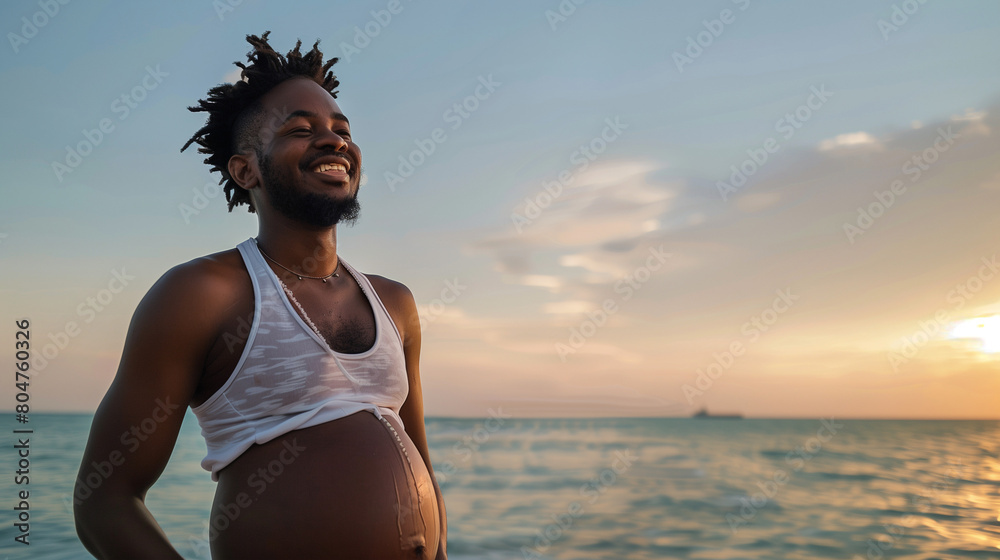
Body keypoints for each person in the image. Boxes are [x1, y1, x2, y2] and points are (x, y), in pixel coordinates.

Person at [73, 31, 447, 559]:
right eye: (300, 128)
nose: (335, 141)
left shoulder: (395, 303)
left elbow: (421, 466)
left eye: (343, 130)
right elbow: (104, 500)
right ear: (246, 169)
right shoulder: (202, 294)